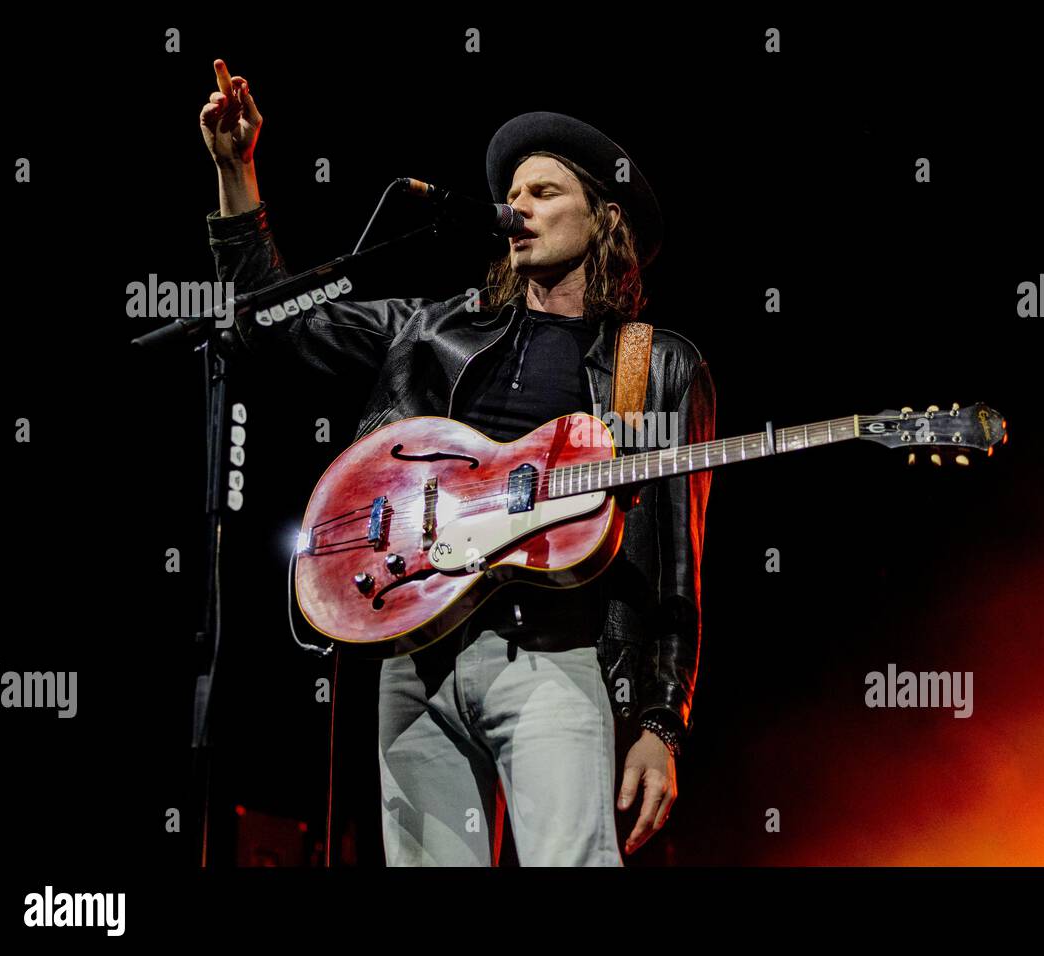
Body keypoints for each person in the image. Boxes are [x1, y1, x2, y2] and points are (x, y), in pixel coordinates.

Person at [200, 59, 714, 865]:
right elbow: (275, 322)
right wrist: (238, 174)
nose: (519, 206)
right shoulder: (430, 326)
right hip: (413, 659)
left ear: (604, 218)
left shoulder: (653, 366)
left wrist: (660, 724)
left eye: (545, 192)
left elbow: (675, 566)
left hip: (556, 659)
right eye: (513, 193)